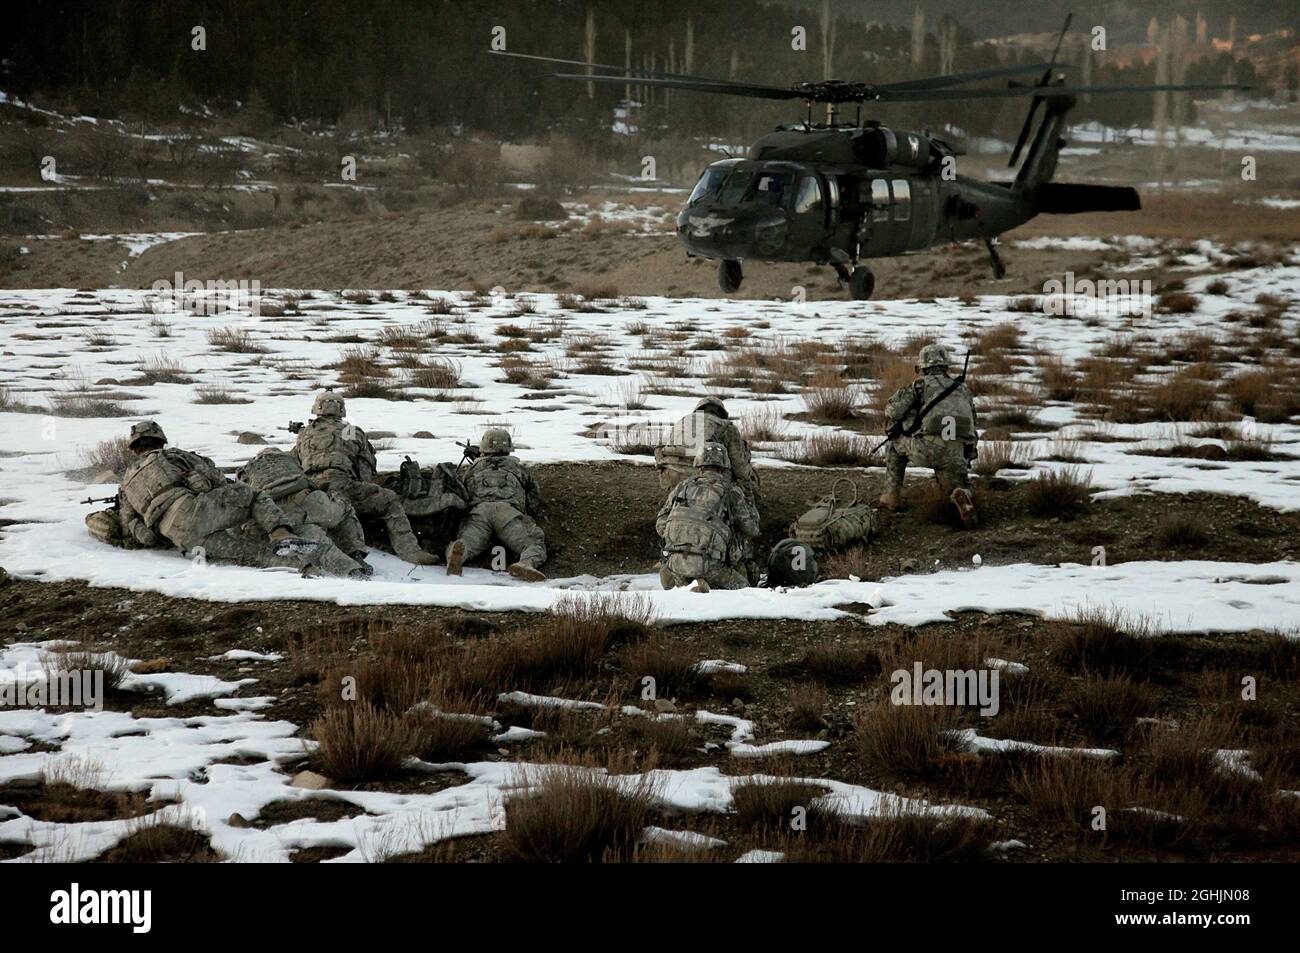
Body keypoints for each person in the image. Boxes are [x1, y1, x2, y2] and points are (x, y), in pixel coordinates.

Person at [115, 421, 362, 576]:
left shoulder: (125, 484)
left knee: (252, 554)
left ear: (134, 449)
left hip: (179, 536)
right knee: (253, 496)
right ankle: (282, 535)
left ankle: (306, 570)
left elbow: (129, 526)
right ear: (160, 441)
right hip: (197, 510)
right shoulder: (174, 456)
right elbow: (215, 477)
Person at [291, 390, 437, 565]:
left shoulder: (304, 434)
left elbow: (296, 465)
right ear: (341, 410)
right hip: (343, 486)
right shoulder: (350, 431)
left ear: (317, 409)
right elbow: (365, 470)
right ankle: (411, 552)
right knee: (389, 500)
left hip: (312, 492)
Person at [878, 343, 979, 528]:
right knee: (956, 487)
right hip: (956, 454)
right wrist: (968, 455)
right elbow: (974, 425)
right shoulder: (963, 389)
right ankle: (962, 495)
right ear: (946, 366)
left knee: (894, 445)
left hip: (927, 450)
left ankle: (892, 496)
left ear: (922, 367)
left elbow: (894, 412)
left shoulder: (919, 385)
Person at [238, 448, 373, 577]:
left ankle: (351, 570)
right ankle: (355, 552)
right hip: (310, 502)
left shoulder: (246, 471)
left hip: (276, 513)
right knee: (344, 510)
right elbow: (310, 482)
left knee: (315, 540)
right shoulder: (289, 459)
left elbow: (246, 500)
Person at [444, 428, 547, 582]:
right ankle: (526, 563)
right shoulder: (518, 469)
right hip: (507, 513)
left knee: (467, 542)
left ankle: (456, 554)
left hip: (479, 512)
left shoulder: (473, 469)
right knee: (533, 543)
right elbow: (533, 491)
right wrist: (528, 513)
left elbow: (464, 491)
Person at [655, 441, 759, 591]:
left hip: (676, 564)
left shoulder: (683, 487)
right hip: (711, 567)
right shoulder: (731, 491)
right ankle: (704, 586)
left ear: (699, 464)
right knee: (745, 590)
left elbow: (661, 523)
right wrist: (750, 502)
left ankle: (690, 585)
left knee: (670, 576)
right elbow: (752, 529)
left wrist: (683, 537)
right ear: (724, 467)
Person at [656, 396, 759, 504]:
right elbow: (740, 468)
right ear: (721, 413)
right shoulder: (727, 426)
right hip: (704, 479)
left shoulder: (681, 422)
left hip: (670, 475)